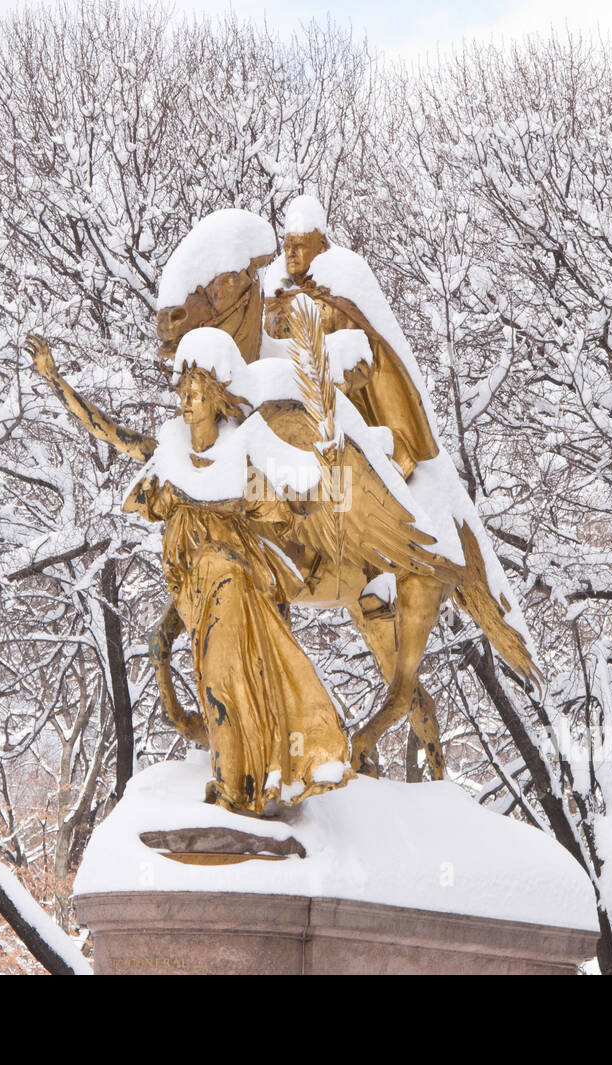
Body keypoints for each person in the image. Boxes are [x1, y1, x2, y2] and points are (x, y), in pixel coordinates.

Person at [123, 327, 354, 814]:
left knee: (227, 683)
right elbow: (112, 434)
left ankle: (246, 788)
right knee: (214, 687)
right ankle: (237, 784)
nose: (186, 403)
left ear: (215, 398)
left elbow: (303, 501)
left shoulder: (241, 454)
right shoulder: (171, 457)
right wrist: (56, 381)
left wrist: (332, 462)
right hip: (197, 599)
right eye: (182, 394)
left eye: (196, 394)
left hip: (235, 591)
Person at [263, 195, 439, 477]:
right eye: (287, 247)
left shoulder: (338, 288)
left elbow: (364, 362)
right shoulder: (275, 301)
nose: (291, 253)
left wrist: (335, 378)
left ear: (320, 247)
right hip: (287, 411)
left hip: (340, 411)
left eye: (299, 246)